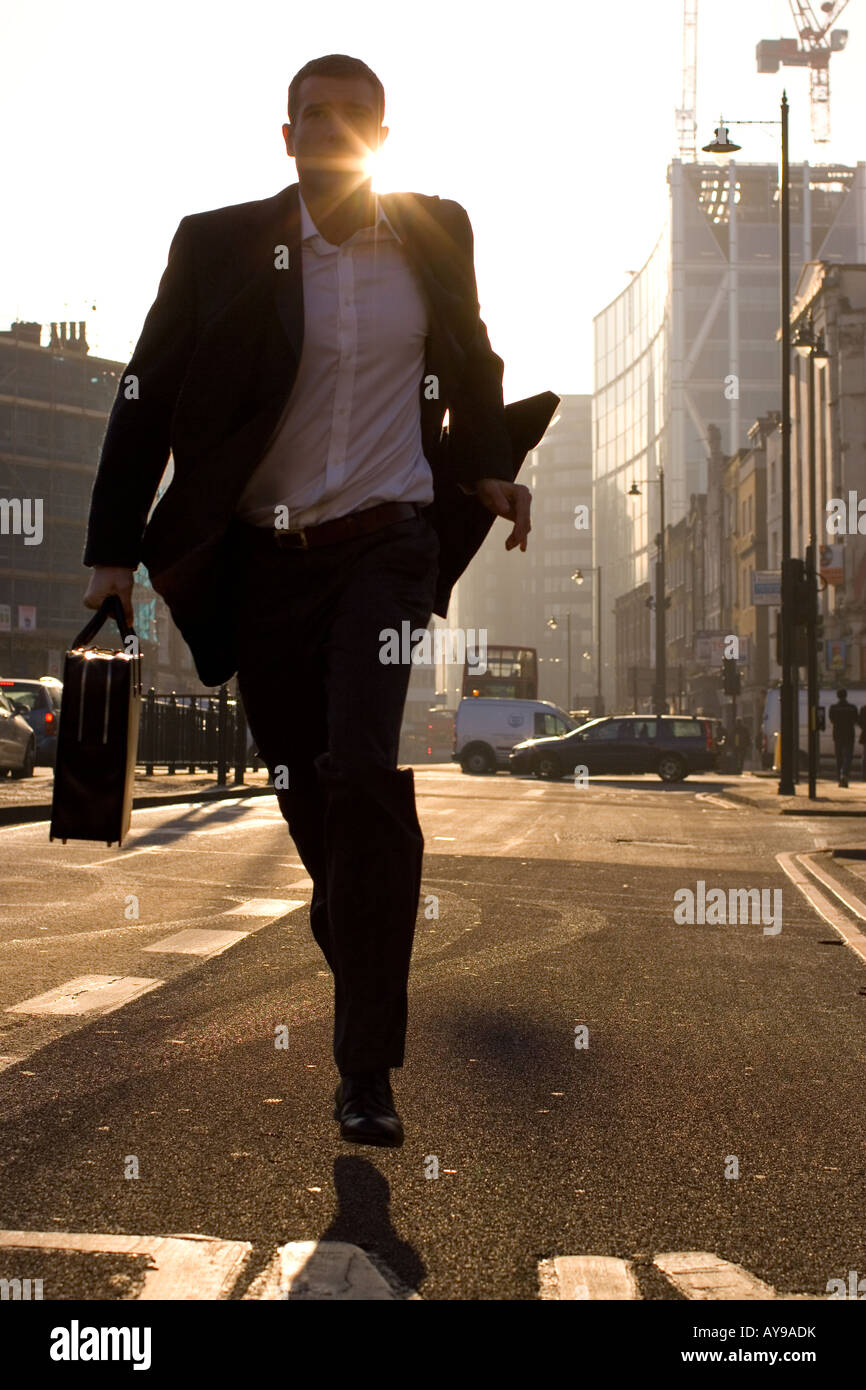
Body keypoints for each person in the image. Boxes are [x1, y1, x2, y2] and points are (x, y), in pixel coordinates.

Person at [81, 54, 557, 1148]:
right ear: (286, 138)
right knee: (307, 794)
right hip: (266, 565)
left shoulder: (436, 231)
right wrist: (112, 549)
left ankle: (365, 1073)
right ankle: (353, 916)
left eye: (357, 118)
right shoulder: (220, 244)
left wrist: (483, 462)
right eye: (315, 118)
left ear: (380, 137)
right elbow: (144, 391)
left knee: (360, 772)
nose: (335, 131)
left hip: (384, 548)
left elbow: (470, 361)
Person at [828, 688, 858, 787]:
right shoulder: (852, 708)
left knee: (839, 757)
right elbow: (855, 720)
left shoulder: (833, 708)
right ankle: (844, 775)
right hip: (849, 735)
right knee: (848, 757)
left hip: (838, 735)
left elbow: (832, 720)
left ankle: (840, 778)